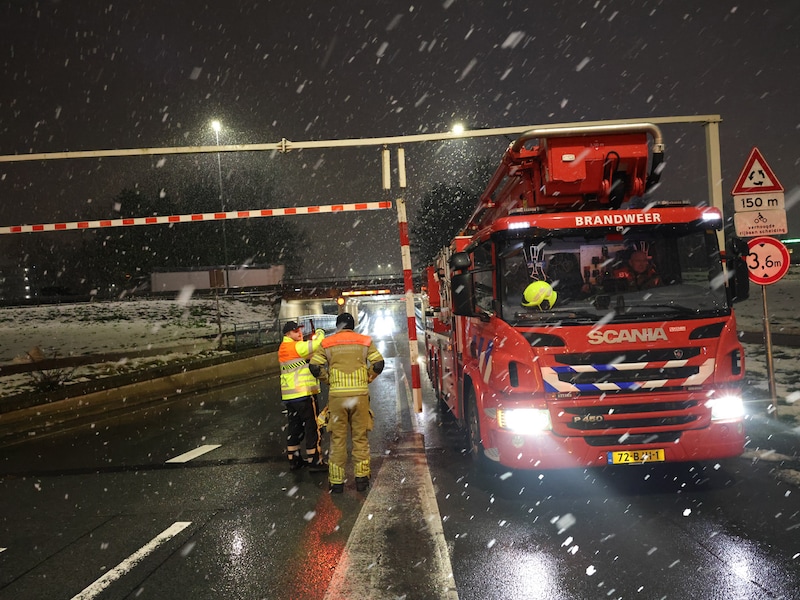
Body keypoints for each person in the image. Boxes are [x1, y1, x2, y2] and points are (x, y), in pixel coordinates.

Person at [309, 312, 385, 494]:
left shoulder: (327, 343)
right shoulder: (365, 341)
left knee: (337, 440)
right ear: (353, 325)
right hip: (359, 396)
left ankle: (336, 483)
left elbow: (314, 366)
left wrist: (328, 379)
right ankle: (361, 479)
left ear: (337, 326)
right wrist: (368, 377)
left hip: (337, 397)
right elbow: (378, 363)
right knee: (360, 438)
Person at [278, 320, 327, 472]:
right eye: (295, 331)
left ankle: (294, 459)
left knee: (295, 427)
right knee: (312, 426)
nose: (299, 333)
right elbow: (319, 344)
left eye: (299, 330)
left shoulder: (283, 348)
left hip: (289, 397)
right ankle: (314, 460)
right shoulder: (297, 346)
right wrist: (319, 332)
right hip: (304, 394)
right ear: (287, 334)